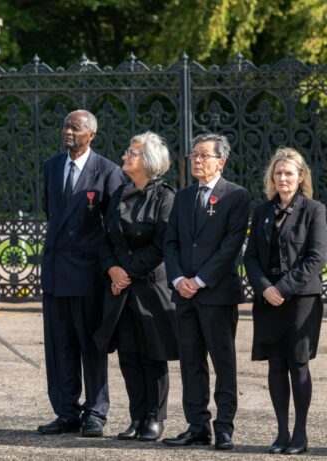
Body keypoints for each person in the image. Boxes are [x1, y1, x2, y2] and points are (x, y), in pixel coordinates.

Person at [38, 109, 124, 437]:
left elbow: (113, 225)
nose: (68, 132)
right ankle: (66, 411)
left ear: (91, 135)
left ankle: (96, 412)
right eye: (66, 126)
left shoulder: (108, 171)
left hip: (88, 275)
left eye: (75, 128)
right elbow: (51, 213)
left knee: (91, 347)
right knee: (60, 346)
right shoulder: (51, 167)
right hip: (56, 273)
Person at [162, 133, 251, 450]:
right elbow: (170, 241)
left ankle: (224, 426)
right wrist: (178, 279)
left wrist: (199, 281)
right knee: (191, 361)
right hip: (184, 294)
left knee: (222, 361)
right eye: (194, 155)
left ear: (220, 161)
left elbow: (231, 247)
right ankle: (197, 425)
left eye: (203, 155)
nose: (197, 160)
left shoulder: (236, 196)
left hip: (216, 293)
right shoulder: (184, 196)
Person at [93, 132, 177, 442]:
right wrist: (112, 269)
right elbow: (105, 238)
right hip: (120, 289)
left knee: (153, 355)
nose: (125, 156)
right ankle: (136, 417)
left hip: (150, 289)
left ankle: (154, 417)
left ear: (149, 161)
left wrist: (127, 272)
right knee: (128, 355)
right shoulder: (119, 193)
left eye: (133, 152)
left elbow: (162, 244)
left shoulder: (165, 197)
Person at [243, 147, 326, 455]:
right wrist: (265, 288)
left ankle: (300, 434)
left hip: (300, 299)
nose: (283, 178)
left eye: (289, 173)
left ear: (300, 176)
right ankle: (281, 432)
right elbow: (250, 257)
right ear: (272, 177)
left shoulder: (314, 210)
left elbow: (316, 258)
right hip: (268, 300)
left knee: (298, 364)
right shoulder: (262, 211)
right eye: (278, 173)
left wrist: (283, 288)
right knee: (276, 364)